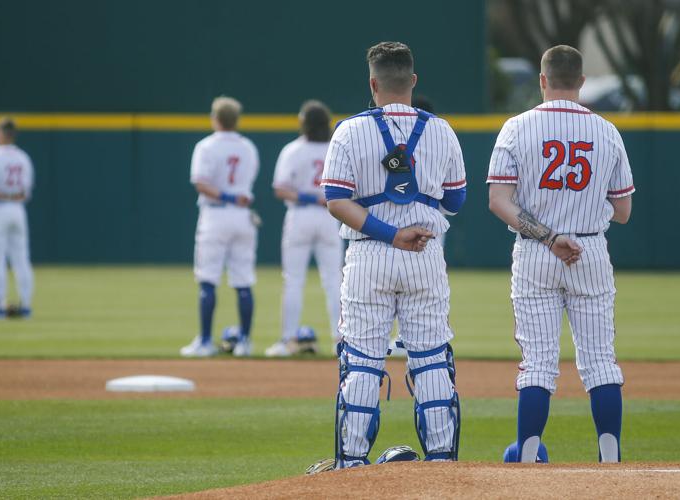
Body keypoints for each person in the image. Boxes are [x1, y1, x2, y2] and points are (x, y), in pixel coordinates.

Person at [321, 41, 466, 467]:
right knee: (431, 358)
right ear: (413, 81)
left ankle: (351, 463)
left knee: (363, 361)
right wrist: (415, 215)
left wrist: (390, 231)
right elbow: (455, 201)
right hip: (425, 253)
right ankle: (441, 461)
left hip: (369, 254)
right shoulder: (442, 130)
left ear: (373, 83)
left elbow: (336, 199)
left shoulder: (349, 130)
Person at [487, 45, 634, 463]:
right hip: (589, 250)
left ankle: (529, 454)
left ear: (542, 80)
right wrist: (583, 219)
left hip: (537, 252)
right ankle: (610, 457)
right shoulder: (606, 130)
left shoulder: (516, 127)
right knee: (601, 362)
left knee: (537, 364)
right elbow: (623, 212)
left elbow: (499, 200)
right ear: (582, 82)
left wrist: (551, 236)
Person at [181, 96, 260, 357]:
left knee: (208, 279)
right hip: (242, 216)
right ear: (236, 120)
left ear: (215, 118)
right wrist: (234, 197)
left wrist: (225, 196)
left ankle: (204, 341)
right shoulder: (248, 147)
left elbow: (201, 184)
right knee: (243, 281)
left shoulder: (206, 146)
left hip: (215, 216)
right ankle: (245, 342)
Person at [266, 100, 343, 357]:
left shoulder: (293, 150)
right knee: (335, 281)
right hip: (331, 216)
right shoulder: (337, 147)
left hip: (300, 216)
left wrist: (309, 197)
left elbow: (280, 188)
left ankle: (288, 341)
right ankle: (340, 340)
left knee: (294, 281)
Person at [0, 117, 35, 320]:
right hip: (18, 210)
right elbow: (25, 191)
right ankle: (26, 306)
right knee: (21, 259)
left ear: (0, 134)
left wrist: (4, 196)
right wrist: (12, 197)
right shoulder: (23, 158)